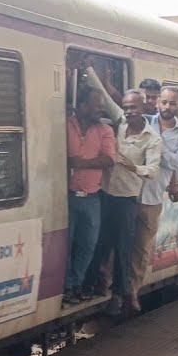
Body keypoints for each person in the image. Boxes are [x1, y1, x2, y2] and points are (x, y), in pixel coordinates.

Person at [86, 91, 162, 312]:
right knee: (101, 243)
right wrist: (88, 69)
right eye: (126, 107)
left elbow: (154, 170)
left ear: (143, 108)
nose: (129, 112)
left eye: (133, 108)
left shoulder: (152, 138)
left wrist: (132, 167)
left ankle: (119, 294)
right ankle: (97, 285)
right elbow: (107, 100)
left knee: (122, 248)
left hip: (127, 198)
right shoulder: (119, 122)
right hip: (104, 192)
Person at [129, 86, 178, 299]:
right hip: (127, 191)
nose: (167, 106)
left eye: (172, 103)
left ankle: (132, 292)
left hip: (153, 196)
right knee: (117, 240)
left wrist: (157, 146)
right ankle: (108, 285)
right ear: (157, 103)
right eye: (164, 102)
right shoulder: (143, 121)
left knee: (142, 248)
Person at [64, 84, 117, 304]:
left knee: (87, 245)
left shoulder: (105, 130)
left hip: (92, 197)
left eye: (102, 106)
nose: (100, 110)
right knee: (66, 244)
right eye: (96, 105)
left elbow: (109, 159)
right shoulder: (65, 125)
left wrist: (81, 163)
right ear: (81, 105)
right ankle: (66, 286)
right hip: (66, 196)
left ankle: (75, 284)